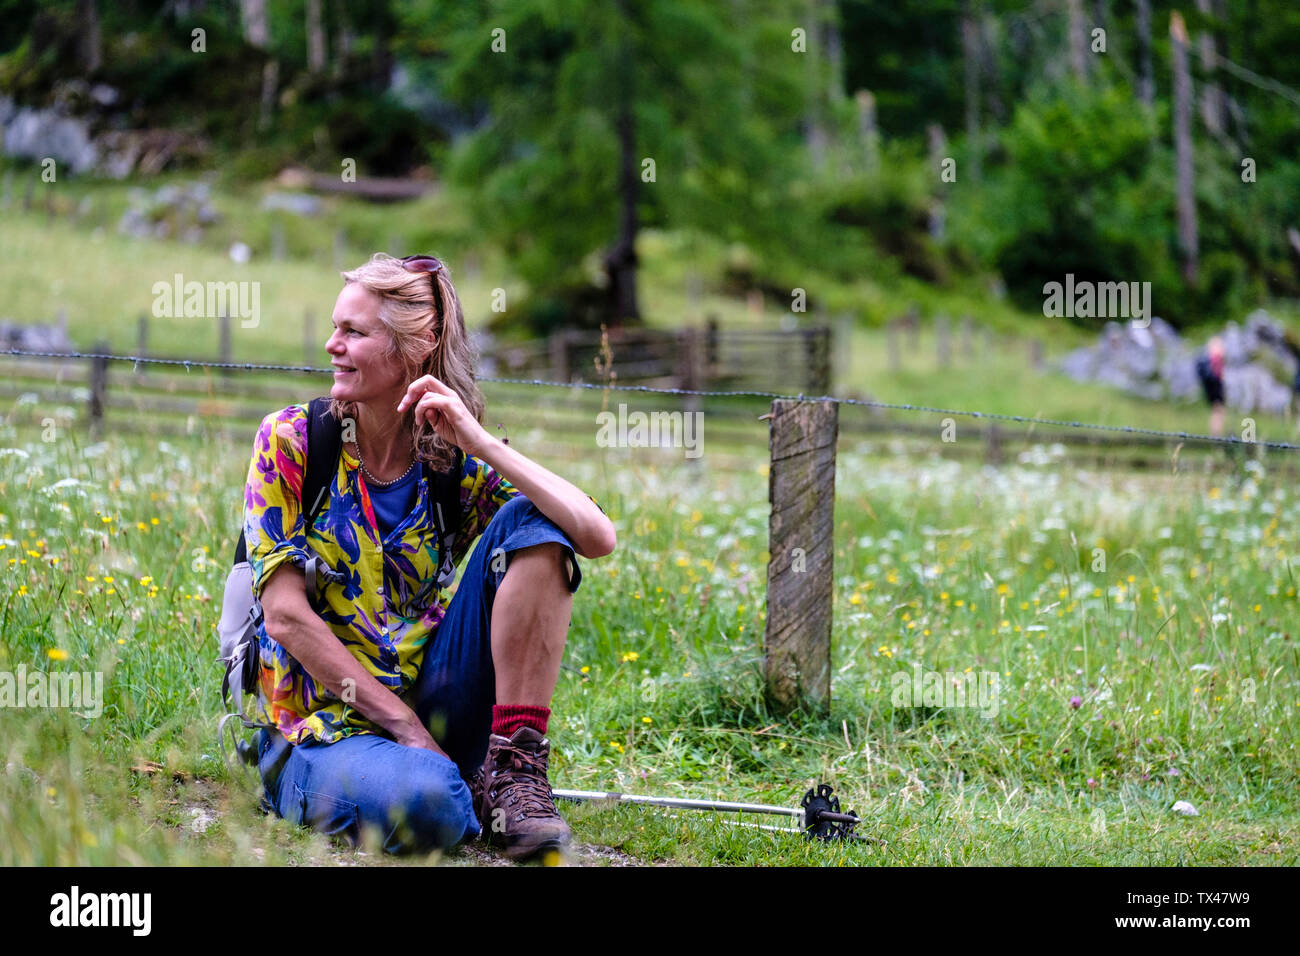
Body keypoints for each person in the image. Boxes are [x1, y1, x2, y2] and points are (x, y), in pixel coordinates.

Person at [242, 253, 616, 861]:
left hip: (433, 709)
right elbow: (285, 617)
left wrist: (480, 442)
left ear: (415, 350)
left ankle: (515, 772)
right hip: (319, 732)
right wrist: (406, 729)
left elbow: (595, 536)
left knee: (534, 523)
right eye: (337, 327)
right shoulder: (292, 443)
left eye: (354, 333)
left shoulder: (449, 465)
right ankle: (458, 792)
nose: (332, 345)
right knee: (435, 805)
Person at [1195, 336, 1226, 438]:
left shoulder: (1206, 356)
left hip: (1208, 386)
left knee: (1215, 410)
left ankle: (1215, 433)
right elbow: (1219, 373)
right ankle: (1216, 434)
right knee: (1218, 410)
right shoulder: (1217, 355)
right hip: (1216, 386)